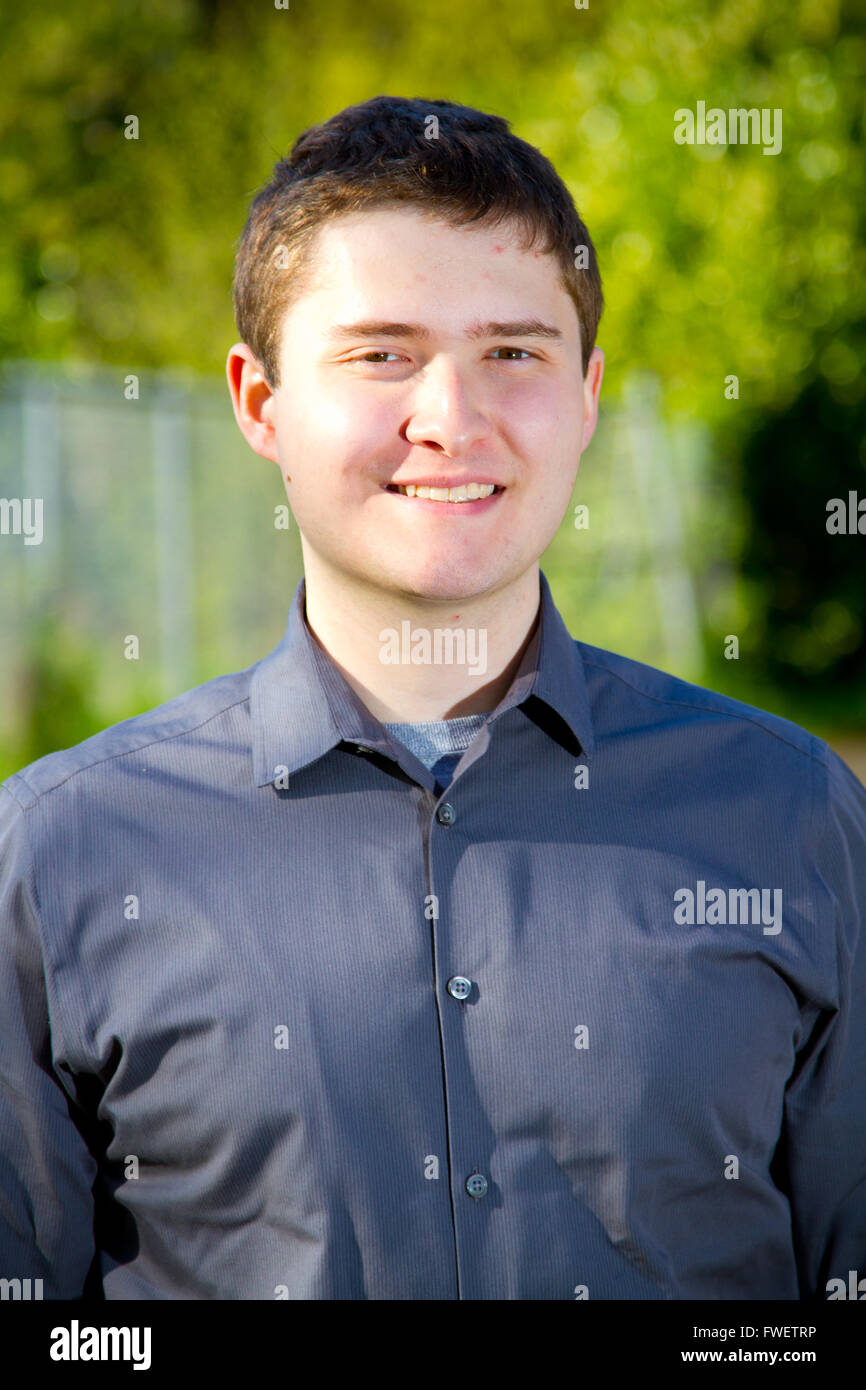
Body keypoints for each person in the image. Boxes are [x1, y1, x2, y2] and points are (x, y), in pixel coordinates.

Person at [1, 94, 863, 1302]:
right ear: (260, 403)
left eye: (512, 352)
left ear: (586, 394)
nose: (449, 419)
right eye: (380, 353)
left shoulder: (793, 815)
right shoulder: (61, 852)